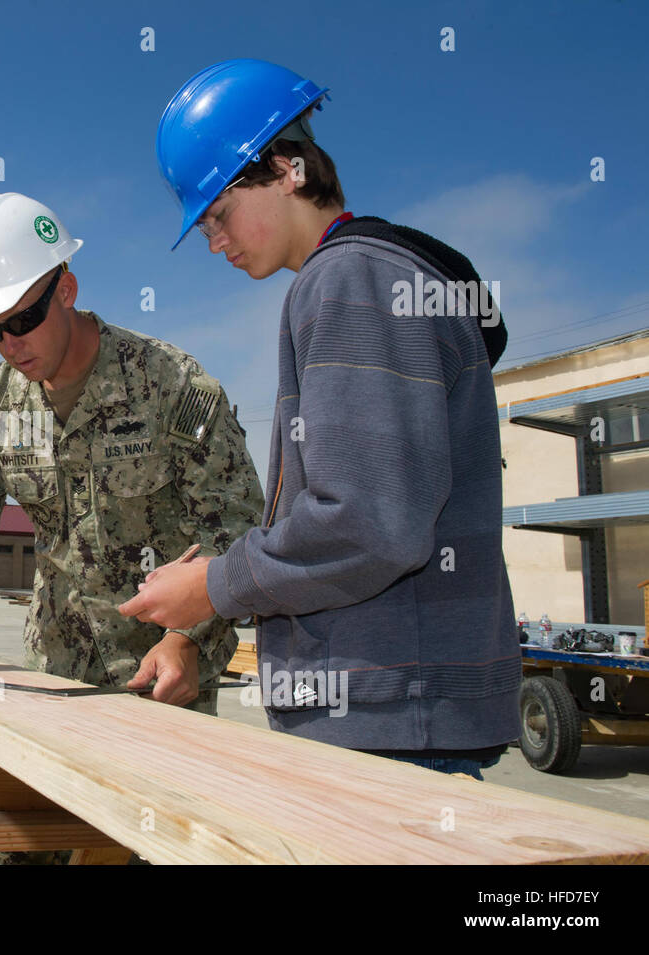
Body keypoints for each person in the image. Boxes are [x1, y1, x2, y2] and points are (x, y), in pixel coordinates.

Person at [121, 59, 519, 779]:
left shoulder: (348, 281)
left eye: (218, 211)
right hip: (393, 714)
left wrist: (214, 586)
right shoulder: (376, 278)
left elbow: (369, 521)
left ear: (286, 170)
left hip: (388, 723)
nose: (215, 240)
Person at [0, 193, 262, 711]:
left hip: (163, 673)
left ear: (66, 290)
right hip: (52, 676)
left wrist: (190, 639)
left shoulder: (173, 386)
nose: (9, 344)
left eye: (23, 321)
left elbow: (233, 527)